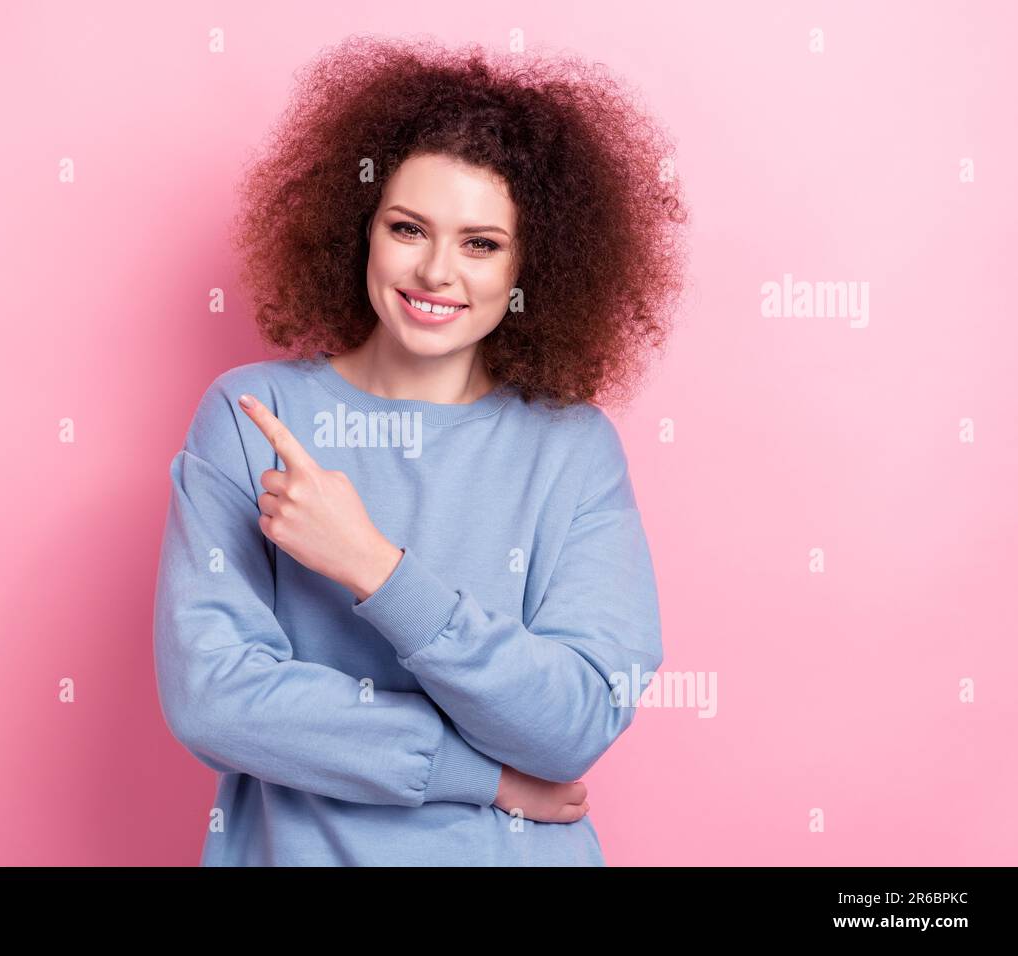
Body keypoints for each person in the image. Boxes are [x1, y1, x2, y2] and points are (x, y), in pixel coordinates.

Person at [154, 35, 688, 866]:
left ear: (528, 268)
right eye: (408, 228)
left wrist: (373, 566)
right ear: (358, 230)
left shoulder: (574, 451)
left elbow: (573, 722)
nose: (437, 270)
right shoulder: (252, 415)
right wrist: (484, 775)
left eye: (481, 244)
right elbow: (213, 699)